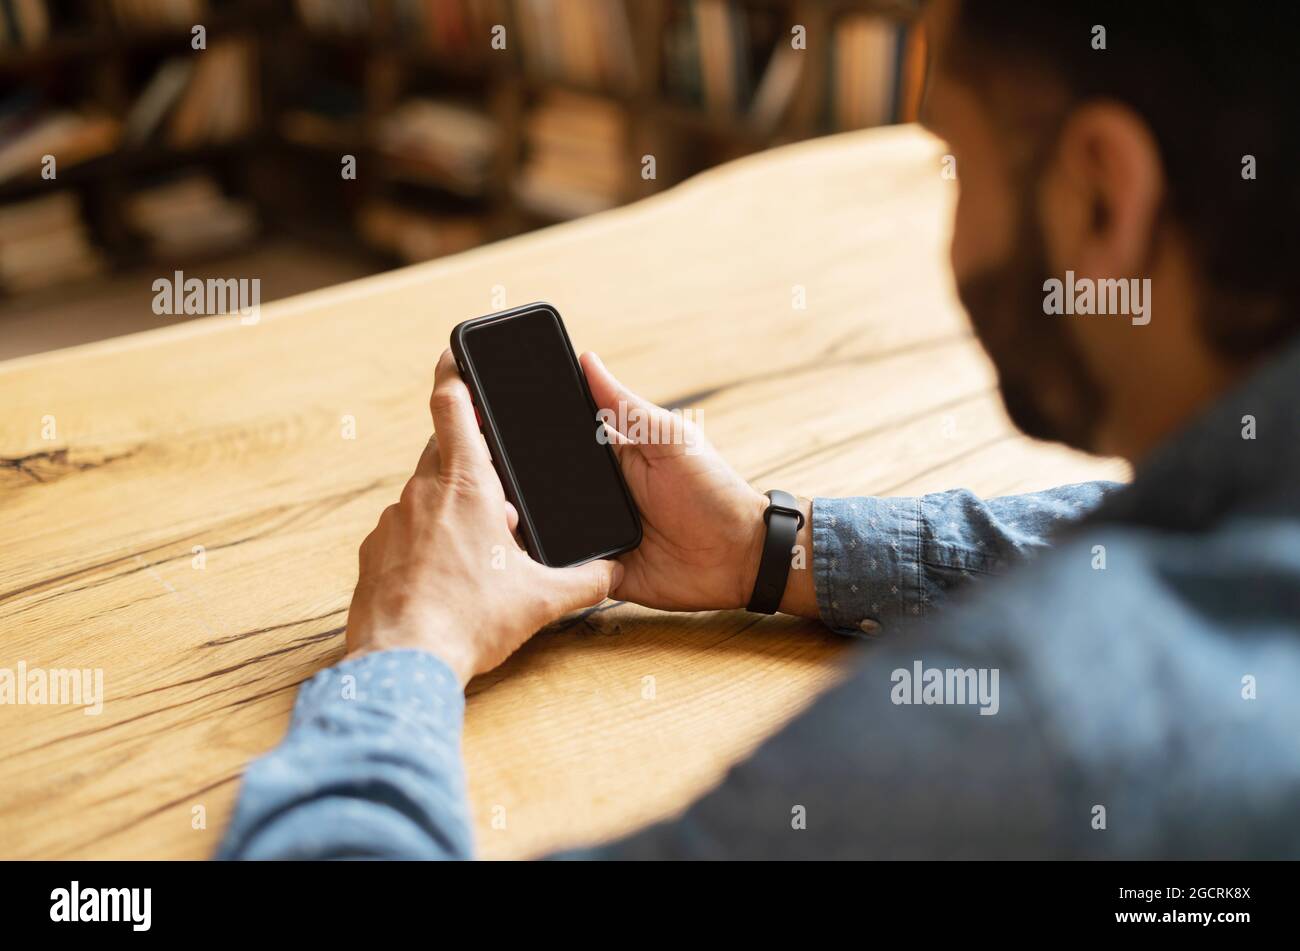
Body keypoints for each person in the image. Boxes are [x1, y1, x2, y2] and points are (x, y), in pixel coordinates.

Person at [217, 0, 1300, 859]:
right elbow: (1112, 530)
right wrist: (765, 546)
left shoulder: (1047, 732)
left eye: (953, 164)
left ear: (1104, 199)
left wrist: (401, 651)